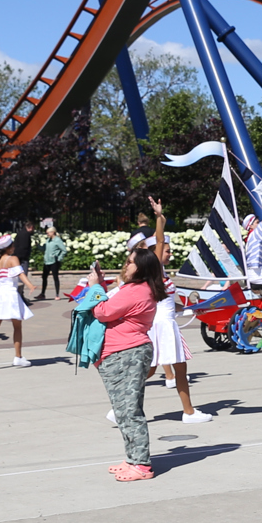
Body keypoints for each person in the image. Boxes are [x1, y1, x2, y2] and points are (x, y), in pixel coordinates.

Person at [93, 246, 161, 481]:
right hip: (121, 353)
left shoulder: (135, 291)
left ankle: (142, 465)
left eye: (131, 262)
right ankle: (133, 457)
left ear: (141, 268)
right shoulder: (137, 289)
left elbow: (102, 312)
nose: (126, 265)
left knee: (129, 410)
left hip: (128, 353)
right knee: (122, 410)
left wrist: (94, 287)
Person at [142, 198, 211, 423]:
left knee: (164, 370)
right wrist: (159, 217)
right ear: (154, 252)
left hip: (164, 324)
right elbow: (159, 238)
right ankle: (188, 413)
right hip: (162, 327)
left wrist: (192, 309)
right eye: (166, 250)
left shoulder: (159, 275)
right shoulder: (154, 268)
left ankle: (189, 411)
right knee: (162, 370)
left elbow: (169, 304)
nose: (169, 253)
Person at [0, 233, 35, 371]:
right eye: (12, 245)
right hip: (10, 295)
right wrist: (30, 285)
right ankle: (18, 357)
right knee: (17, 326)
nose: (14, 247)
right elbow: (20, 273)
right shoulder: (13, 259)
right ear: (9, 248)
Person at [40, 225, 68, 296]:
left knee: (55, 277)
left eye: (48, 233)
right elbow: (45, 249)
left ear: (53, 232)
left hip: (54, 262)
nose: (47, 234)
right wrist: (39, 246)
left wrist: (59, 258)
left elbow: (64, 250)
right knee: (44, 277)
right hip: (47, 261)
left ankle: (57, 294)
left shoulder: (57, 240)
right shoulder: (48, 240)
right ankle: (42, 294)